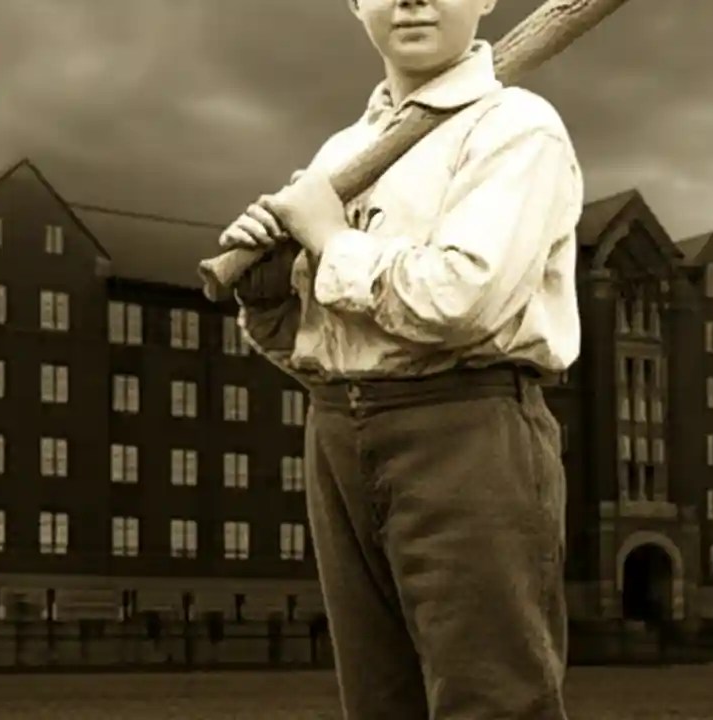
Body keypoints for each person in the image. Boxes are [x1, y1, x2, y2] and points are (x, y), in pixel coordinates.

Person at [215, 0, 582, 717]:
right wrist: (267, 299)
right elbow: (325, 347)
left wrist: (331, 239)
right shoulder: (337, 157)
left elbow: (461, 301)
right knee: (378, 702)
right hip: (338, 433)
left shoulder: (516, 128)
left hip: (467, 429)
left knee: (492, 699)